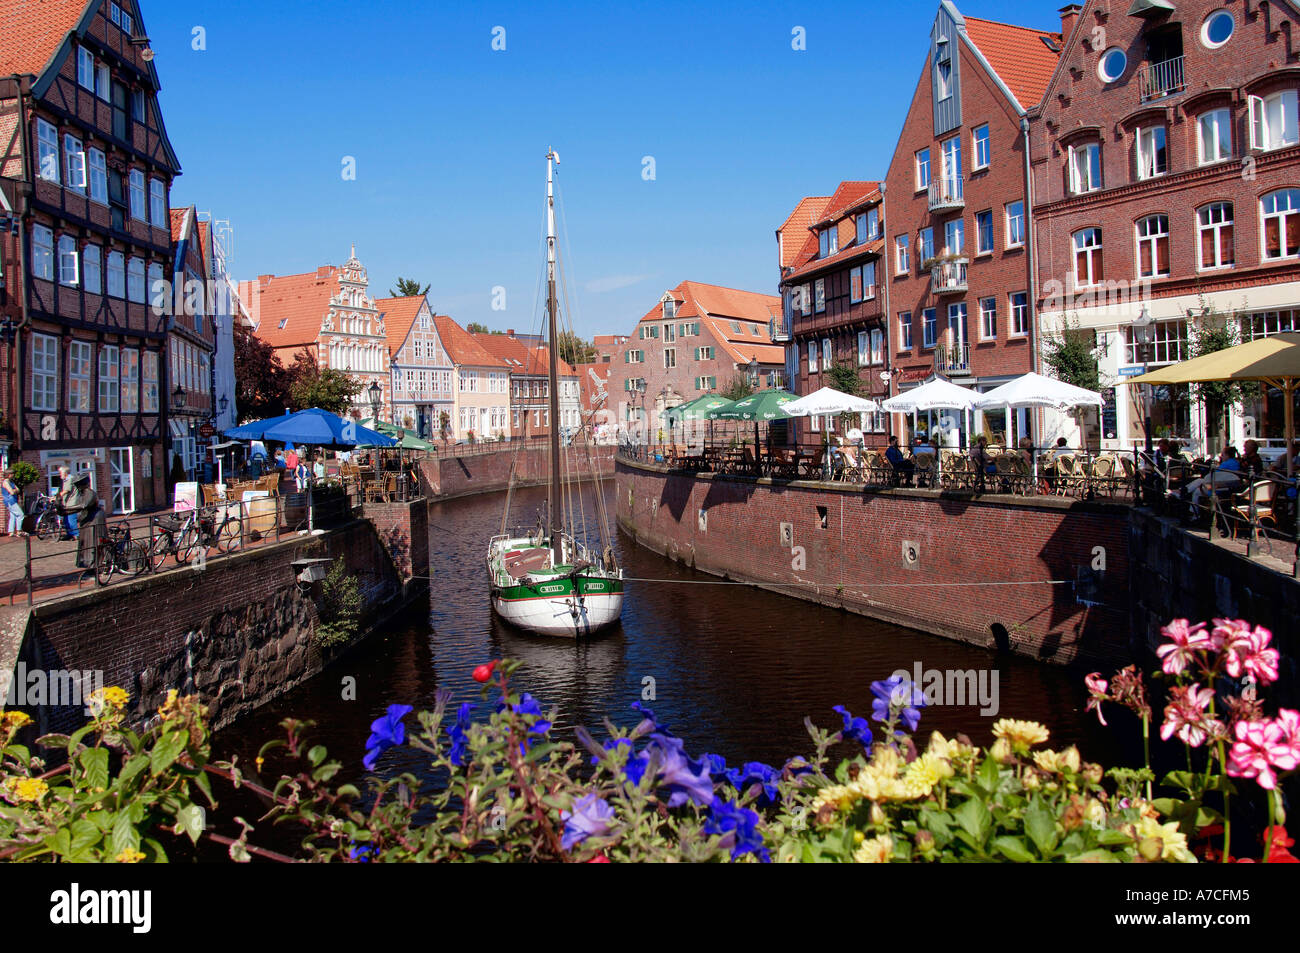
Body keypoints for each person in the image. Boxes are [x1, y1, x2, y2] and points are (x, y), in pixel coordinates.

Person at [1183, 446, 1243, 519]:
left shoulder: (1226, 464)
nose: (1221, 456)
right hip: (1226, 487)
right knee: (1199, 483)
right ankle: (1186, 493)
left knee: (1197, 490)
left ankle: (1194, 512)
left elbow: (1213, 474)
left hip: (1219, 488)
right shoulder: (1235, 462)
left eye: (1223, 454)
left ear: (1227, 455)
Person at [64, 473, 105, 569]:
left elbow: (84, 505)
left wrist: (67, 508)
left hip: (94, 519)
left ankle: (95, 564)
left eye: (78, 484)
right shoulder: (81, 494)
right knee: (86, 541)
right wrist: (64, 511)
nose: (77, 487)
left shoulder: (89, 492)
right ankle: (87, 563)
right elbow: (78, 508)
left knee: (92, 540)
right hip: (87, 519)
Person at [56, 465, 78, 540]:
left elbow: (66, 490)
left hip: (71, 503)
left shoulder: (70, 479)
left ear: (65, 473)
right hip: (66, 503)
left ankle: (75, 535)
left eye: (60, 473)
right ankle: (69, 534)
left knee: (71, 520)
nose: (59, 475)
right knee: (66, 520)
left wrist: (57, 496)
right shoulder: (66, 480)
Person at [3, 470, 26, 537]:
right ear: (9, 474)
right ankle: (19, 531)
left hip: (13, 500)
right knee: (20, 514)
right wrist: (14, 490)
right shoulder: (5, 482)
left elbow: (18, 489)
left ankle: (11, 532)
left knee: (13, 516)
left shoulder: (11, 482)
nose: (13, 475)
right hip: (10, 501)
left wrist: (14, 490)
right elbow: (12, 492)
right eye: (12, 474)